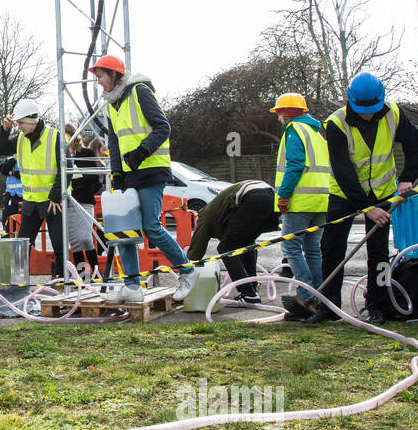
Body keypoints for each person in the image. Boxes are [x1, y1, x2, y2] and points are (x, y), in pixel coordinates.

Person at [306, 72, 418, 325]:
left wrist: (408, 177)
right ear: (350, 101)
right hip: (345, 194)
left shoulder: (394, 114)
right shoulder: (335, 124)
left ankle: (377, 306)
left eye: (372, 109)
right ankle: (328, 307)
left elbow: (417, 145)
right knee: (332, 248)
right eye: (363, 110)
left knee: (379, 252)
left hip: (382, 193)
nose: (368, 115)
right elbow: (343, 171)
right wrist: (367, 208)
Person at [89, 54, 197, 302]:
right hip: (130, 174)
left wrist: (142, 151)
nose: (98, 82)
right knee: (123, 229)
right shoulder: (111, 104)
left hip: (152, 169)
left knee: (151, 227)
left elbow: (163, 127)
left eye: (101, 76)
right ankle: (132, 286)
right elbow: (114, 143)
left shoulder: (139, 91)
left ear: (114, 75)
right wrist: (116, 174)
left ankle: (187, 271)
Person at [271, 92, 332, 321]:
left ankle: (305, 294)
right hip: (320, 201)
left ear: (286, 113)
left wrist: (284, 195)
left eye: (279, 113)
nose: (278, 118)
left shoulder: (294, 130)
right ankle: (317, 294)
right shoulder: (316, 133)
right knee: (313, 249)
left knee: (291, 248)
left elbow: (295, 164)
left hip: (300, 201)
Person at [0, 99, 66, 280]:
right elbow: (0, 148)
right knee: (22, 246)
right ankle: (17, 283)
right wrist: (5, 128)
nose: (19, 127)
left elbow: (66, 169)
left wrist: (56, 195)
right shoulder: (20, 139)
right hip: (31, 201)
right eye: (17, 123)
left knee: (59, 245)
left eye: (21, 123)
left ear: (33, 120)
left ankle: (61, 283)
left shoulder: (55, 137)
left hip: (52, 202)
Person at [185, 179, 280, 305]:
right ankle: (252, 288)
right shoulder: (219, 212)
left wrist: (187, 266)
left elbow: (197, 246)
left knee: (225, 248)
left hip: (254, 197)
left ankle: (248, 292)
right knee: (247, 244)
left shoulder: (204, 217)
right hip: (272, 197)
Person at [64, 124, 103, 280]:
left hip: (84, 200)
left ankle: (96, 274)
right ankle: (84, 277)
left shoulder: (85, 153)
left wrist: (76, 181)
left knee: (86, 238)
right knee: (75, 242)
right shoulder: (61, 155)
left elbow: (95, 177)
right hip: (67, 203)